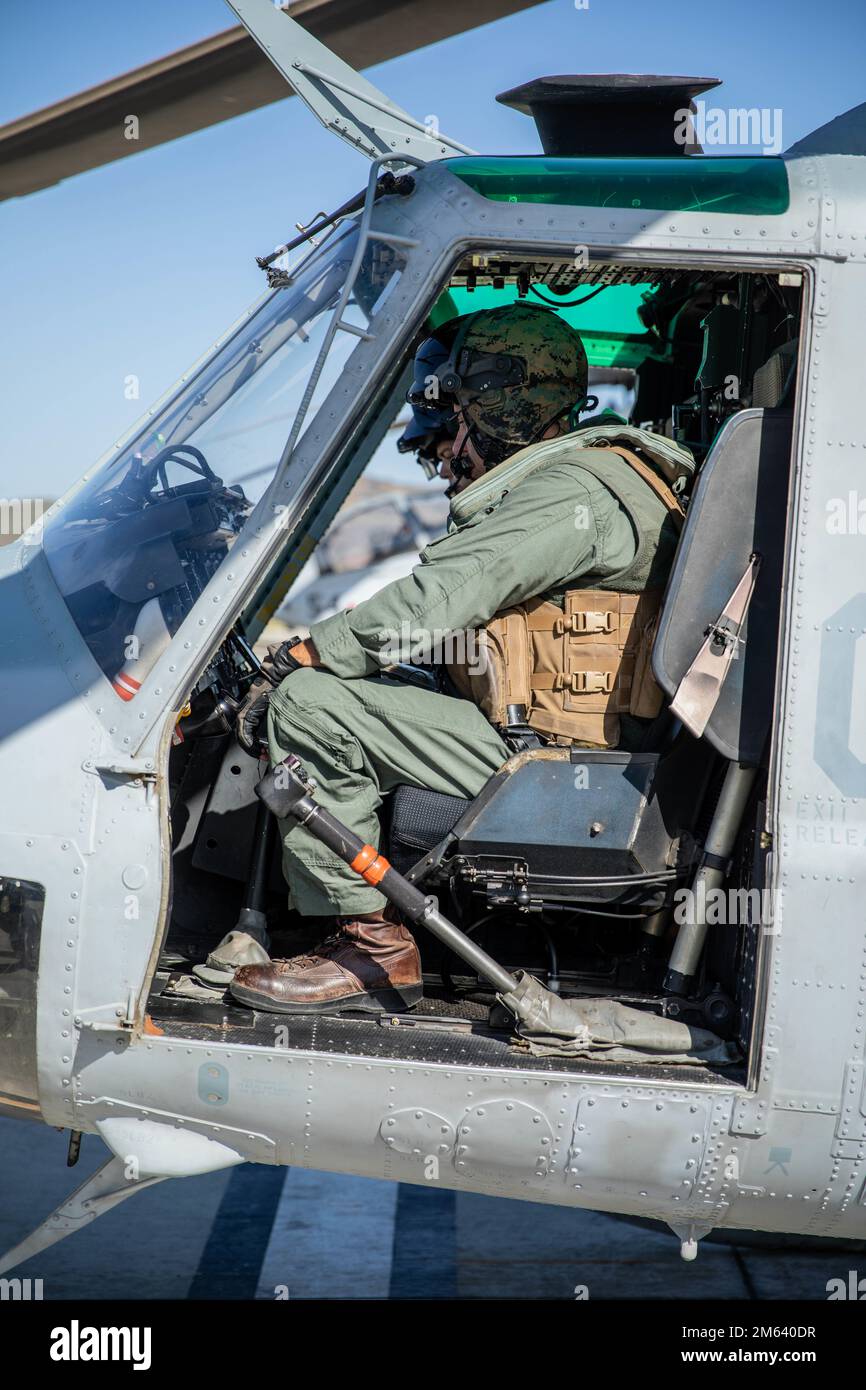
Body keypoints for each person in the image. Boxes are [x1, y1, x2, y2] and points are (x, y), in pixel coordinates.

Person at [229, 303, 692, 1015]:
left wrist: (303, 653)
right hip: (576, 757)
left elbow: (431, 604)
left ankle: (372, 949)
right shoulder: (592, 480)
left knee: (309, 704)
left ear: (500, 407)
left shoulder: (573, 491)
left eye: (457, 423)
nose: (446, 453)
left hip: (568, 773)